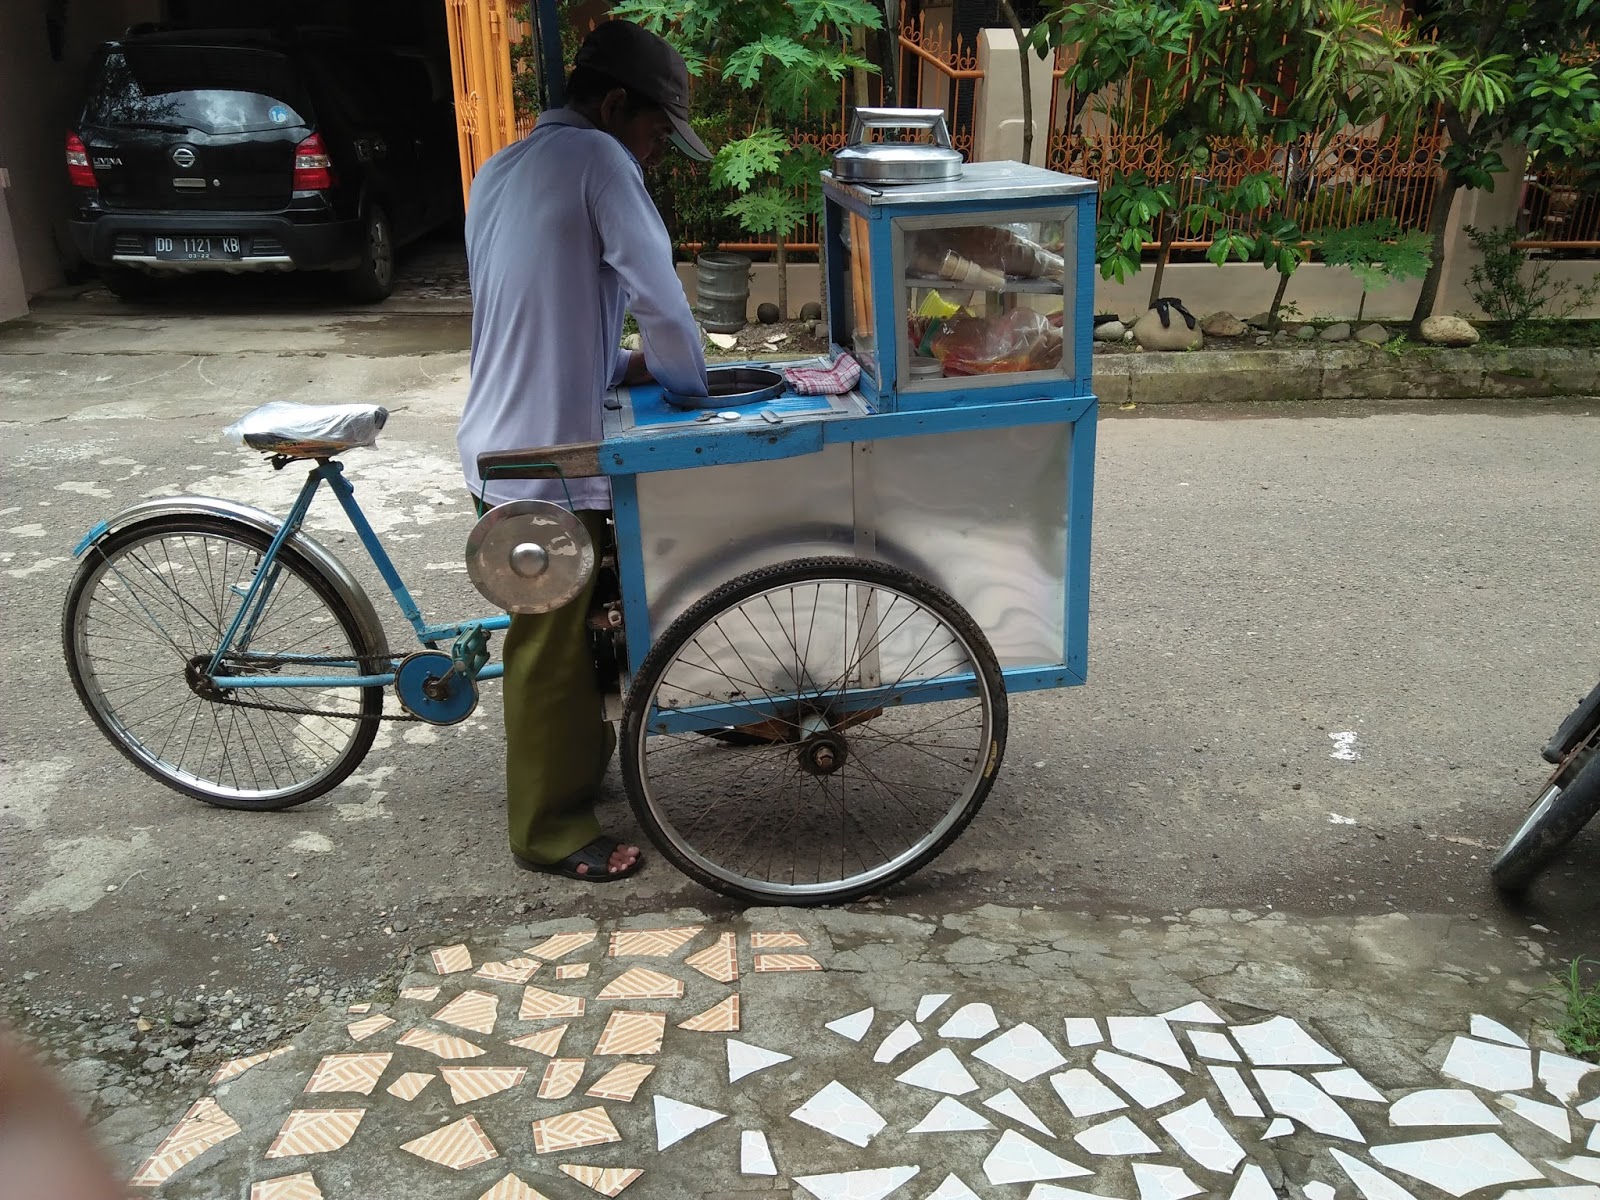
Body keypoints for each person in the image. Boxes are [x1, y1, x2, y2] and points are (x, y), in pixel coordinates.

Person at [456, 20, 711, 881]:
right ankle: (549, 828)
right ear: (612, 106)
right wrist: (688, 385)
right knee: (551, 648)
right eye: (652, 132)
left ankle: (575, 769)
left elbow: (545, 301)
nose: (653, 154)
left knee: (565, 630)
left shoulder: (501, 167)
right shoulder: (601, 161)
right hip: (544, 456)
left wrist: (616, 361)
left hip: (499, 434)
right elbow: (662, 300)